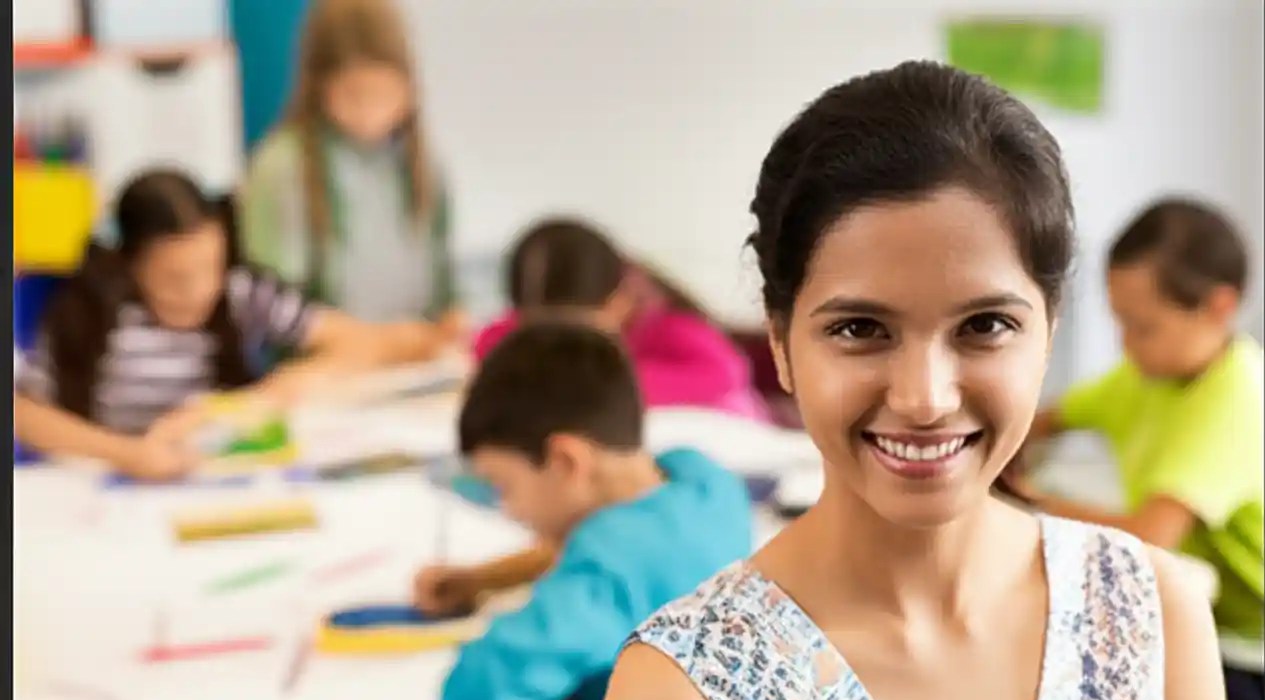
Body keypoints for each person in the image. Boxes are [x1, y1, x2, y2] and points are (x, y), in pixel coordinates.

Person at [602, 61, 1226, 700]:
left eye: (985, 325)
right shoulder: (680, 688)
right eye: (860, 328)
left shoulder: (1151, 613)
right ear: (781, 344)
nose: (924, 399)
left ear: (1049, 331)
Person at [14, 169, 448, 481]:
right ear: (130, 265)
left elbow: (361, 343)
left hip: (223, 483)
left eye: (211, 267)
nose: (199, 290)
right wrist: (127, 453)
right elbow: (24, 414)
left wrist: (264, 397)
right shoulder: (87, 312)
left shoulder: (239, 294)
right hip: (105, 487)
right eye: (175, 278)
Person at [416, 322, 753, 700]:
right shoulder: (703, 480)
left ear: (565, 462)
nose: (510, 511)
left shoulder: (604, 572)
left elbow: (475, 696)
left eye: (503, 486)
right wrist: (481, 579)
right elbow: (615, 545)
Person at [1019, 199, 1263, 700]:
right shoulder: (1148, 373)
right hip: (1207, 618)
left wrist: (1027, 499)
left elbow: (1151, 535)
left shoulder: (1240, 397)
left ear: (1219, 308)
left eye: (1143, 327)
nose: (1126, 346)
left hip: (1251, 651)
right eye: (1121, 323)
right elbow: (1043, 421)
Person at [240, 0, 464, 334]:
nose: (370, 112)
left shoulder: (422, 164)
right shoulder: (283, 166)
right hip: (327, 366)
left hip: (413, 361)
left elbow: (445, 284)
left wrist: (452, 321)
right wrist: (371, 343)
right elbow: (269, 301)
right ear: (317, 88)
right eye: (353, 95)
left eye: (385, 93)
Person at [473, 217, 769, 421]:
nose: (558, 344)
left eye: (575, 329)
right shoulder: (547, 307)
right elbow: (486, 343)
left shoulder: (667, 325)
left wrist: (594, 385)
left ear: (619, 299)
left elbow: (729, 371)